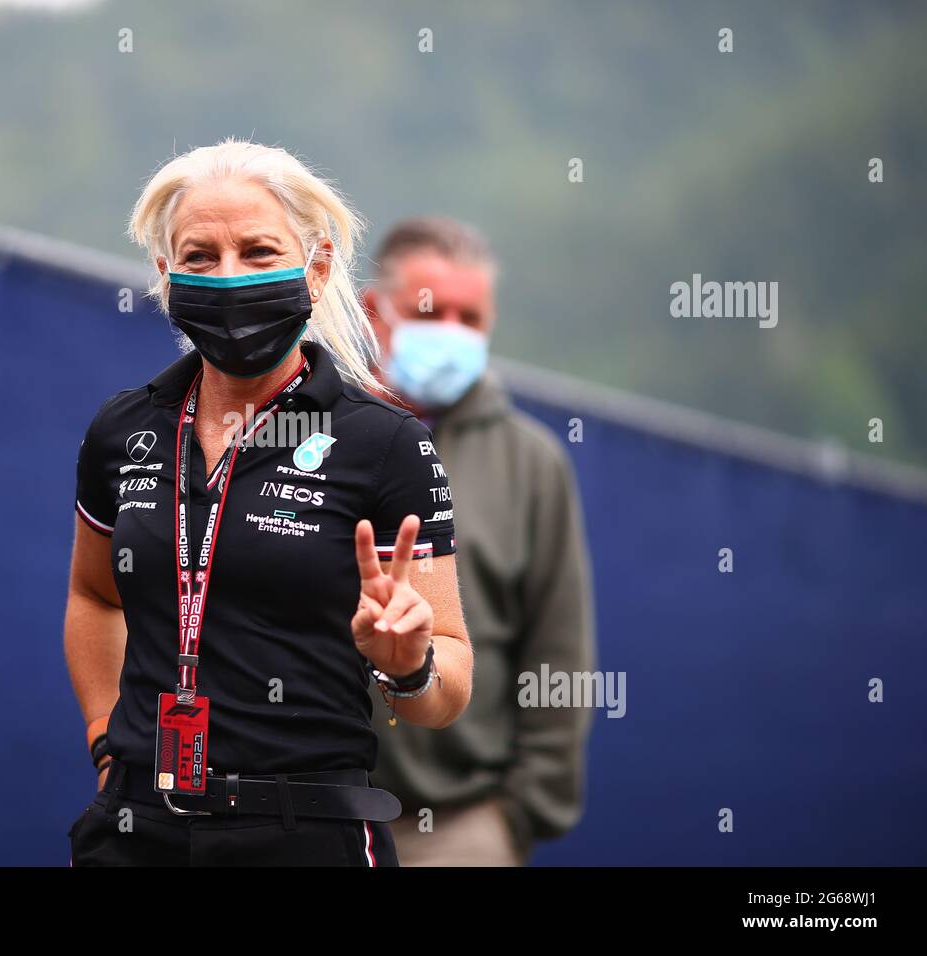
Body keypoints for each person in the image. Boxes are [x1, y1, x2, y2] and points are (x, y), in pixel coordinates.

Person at [64, 139, 472, 867]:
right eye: (198, 256)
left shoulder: (383, 443)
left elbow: (446, 687)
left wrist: (406, 663)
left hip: (303, 831)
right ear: (163, 272)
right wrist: (107, 746)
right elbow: (95, 595)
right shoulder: (124, 428)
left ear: (316, 269)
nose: (228, 278)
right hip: (134, 828)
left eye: (258, 252)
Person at [361, 216, 596, 866]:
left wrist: (515, 819)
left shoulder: (532, 463)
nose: (452, 333)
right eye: (432, 311)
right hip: (310, 820)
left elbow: (559, 651)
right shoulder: (308, 434)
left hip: (462, 833)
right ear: (373, 309)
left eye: (472, 318)